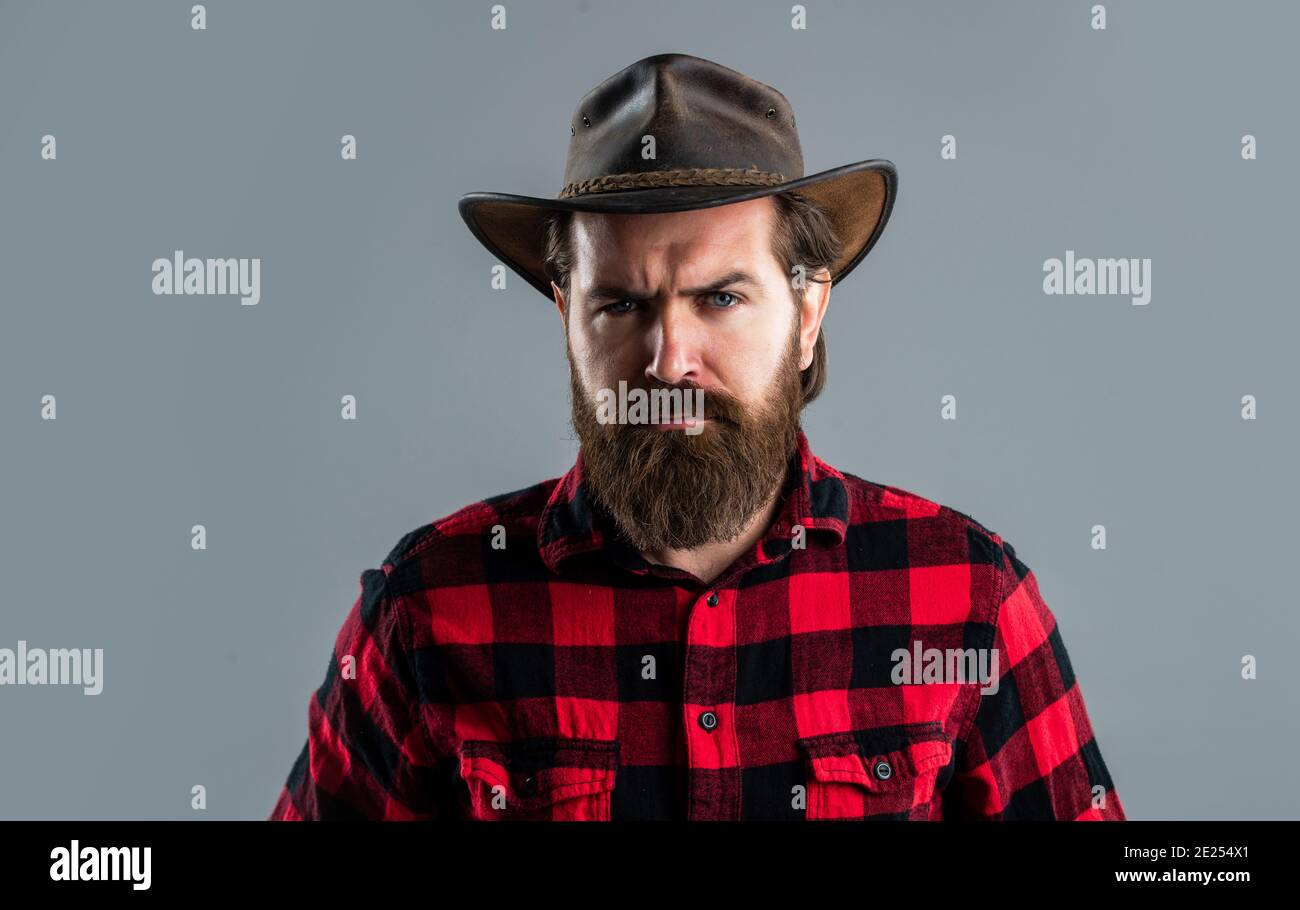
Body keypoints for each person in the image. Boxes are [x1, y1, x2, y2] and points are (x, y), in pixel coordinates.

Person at [269, 52, 1125, 821]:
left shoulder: (967, 602)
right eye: (621, 304)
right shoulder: (426, 612)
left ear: (808, 310)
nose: (670, 359)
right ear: (568, 317)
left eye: (720, 298)